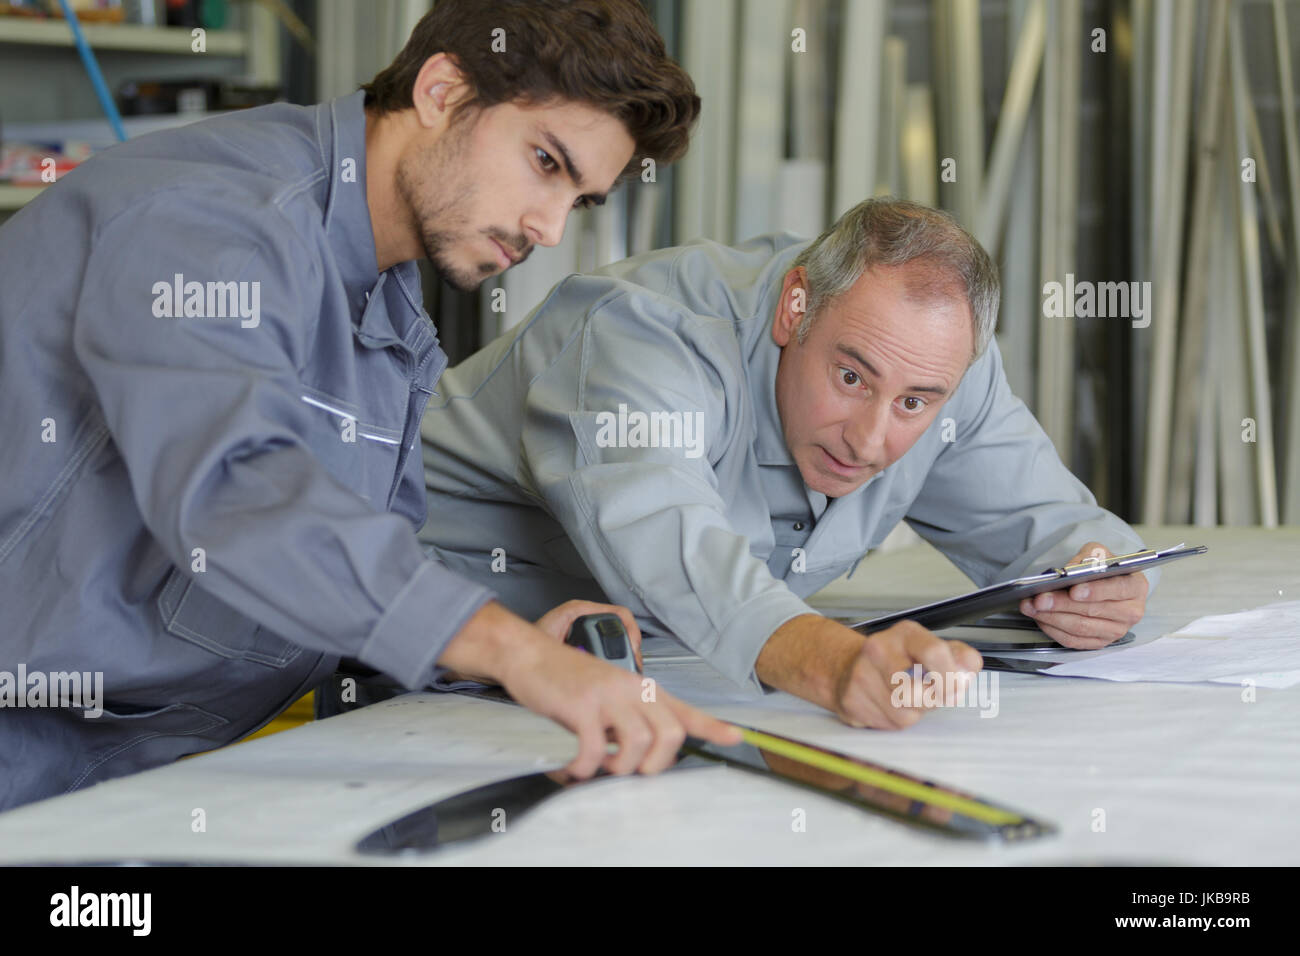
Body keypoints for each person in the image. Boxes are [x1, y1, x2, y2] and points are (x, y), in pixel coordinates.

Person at [0, 0, 740, 814]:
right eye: (545, 162)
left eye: (581, 199)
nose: (550, 227)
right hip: (35, 769)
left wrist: (504, 645)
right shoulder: (216, 222)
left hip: (159, 771)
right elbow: (237, 490)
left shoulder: (390, 317)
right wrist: (511, 653)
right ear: (442, 91)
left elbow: (322, 583)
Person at [418, 198, 1157, 728]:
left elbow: (1058, 527)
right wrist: (832, 664)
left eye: (915, 404)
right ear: (794, 307)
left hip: (624, 684)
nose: (870, 441)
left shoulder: (937, 364)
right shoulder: (641, 335)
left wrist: (1102, 583)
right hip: (414, 668)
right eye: (851, 379)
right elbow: (672, 536)